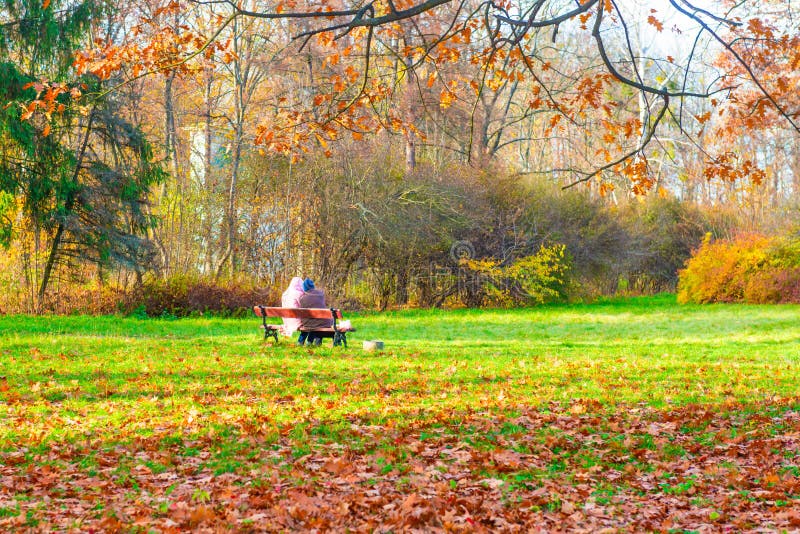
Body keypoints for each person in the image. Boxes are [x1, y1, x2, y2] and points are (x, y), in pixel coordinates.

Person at [298, 278, 333, 345]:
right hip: (322, 323)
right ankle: (314, 342)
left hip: (307, 324)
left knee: (313, 322)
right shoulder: (321, 294)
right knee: (322, 321)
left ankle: (304, 342)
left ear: (304, 287)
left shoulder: (302, 298)